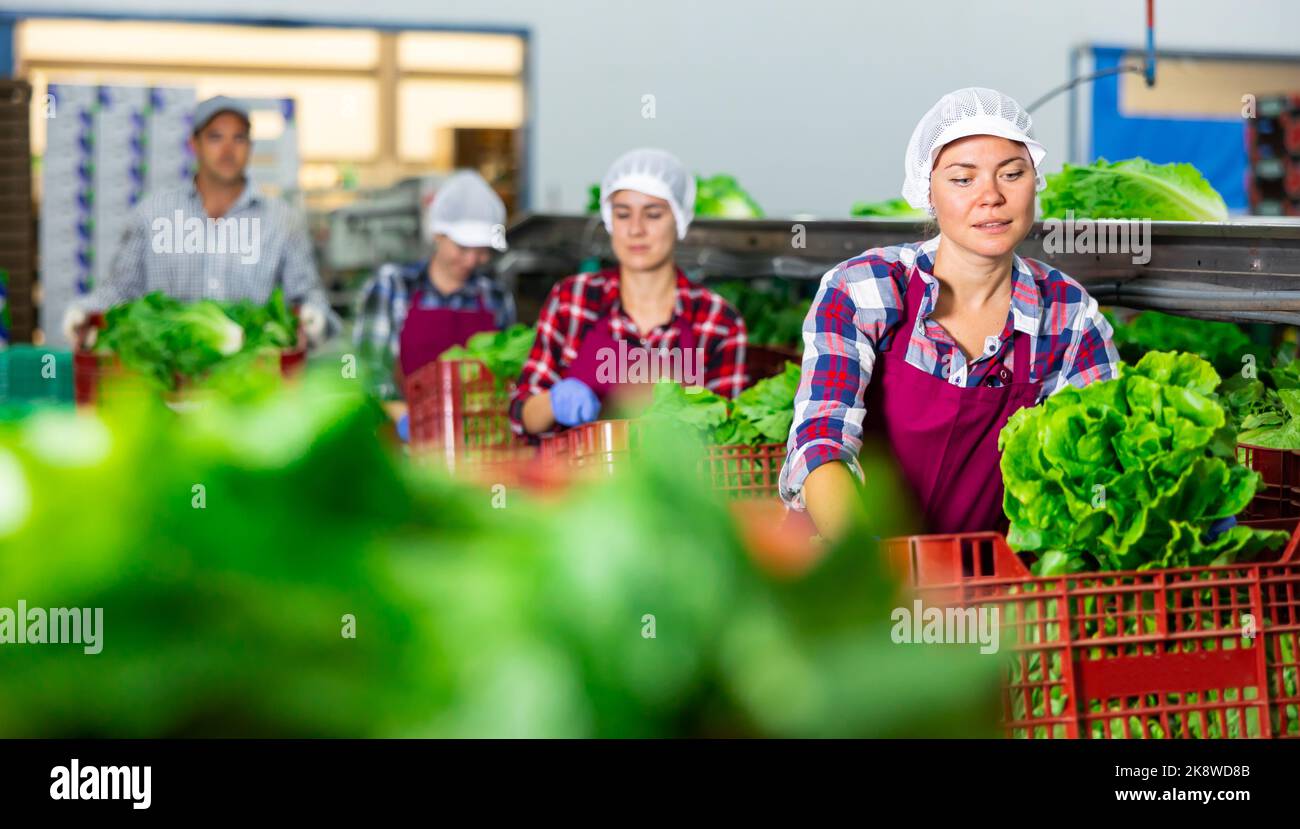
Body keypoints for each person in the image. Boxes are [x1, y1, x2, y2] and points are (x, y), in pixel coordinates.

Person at [780, 88, 1119, 541]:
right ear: (929, 192)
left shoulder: (1069, 314)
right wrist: (878, 576)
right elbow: (821, 443)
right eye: (963, 179)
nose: (991, 196)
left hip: (981, 582)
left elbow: (1092, 466)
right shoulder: (866, 288)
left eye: (1012, 174)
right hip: (845, 571)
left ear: (1034, 185)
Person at [62, 95, 336, 345]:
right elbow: (121, 290)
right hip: (167, 374)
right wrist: (85, 311)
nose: (228, 149)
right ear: (194, 145)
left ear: (251, 147)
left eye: (239, 138)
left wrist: (314, 317)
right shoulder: (152, 214)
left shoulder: (281, 221)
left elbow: (307, 296)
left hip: (254, 379)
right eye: (216, 137)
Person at [510, 148, 748, 435]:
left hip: (671, 479)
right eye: (623, 214)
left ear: (680, 220)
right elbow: (523, 416)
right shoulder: (572, 299)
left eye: (653, 214)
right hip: (570, 476)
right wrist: (554, 402)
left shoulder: (717, 320)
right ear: (610, 221)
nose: (636, 229)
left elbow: (726, 437)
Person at [352, 169, 515, 397]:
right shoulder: (393, 285)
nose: (471, 260)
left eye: (482, 251)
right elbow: (367, 366)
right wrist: (400, 417)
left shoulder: (494, 296)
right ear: (438, 234)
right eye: (463, 248)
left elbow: (507, 373)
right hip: (400, 425)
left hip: (476, 427)